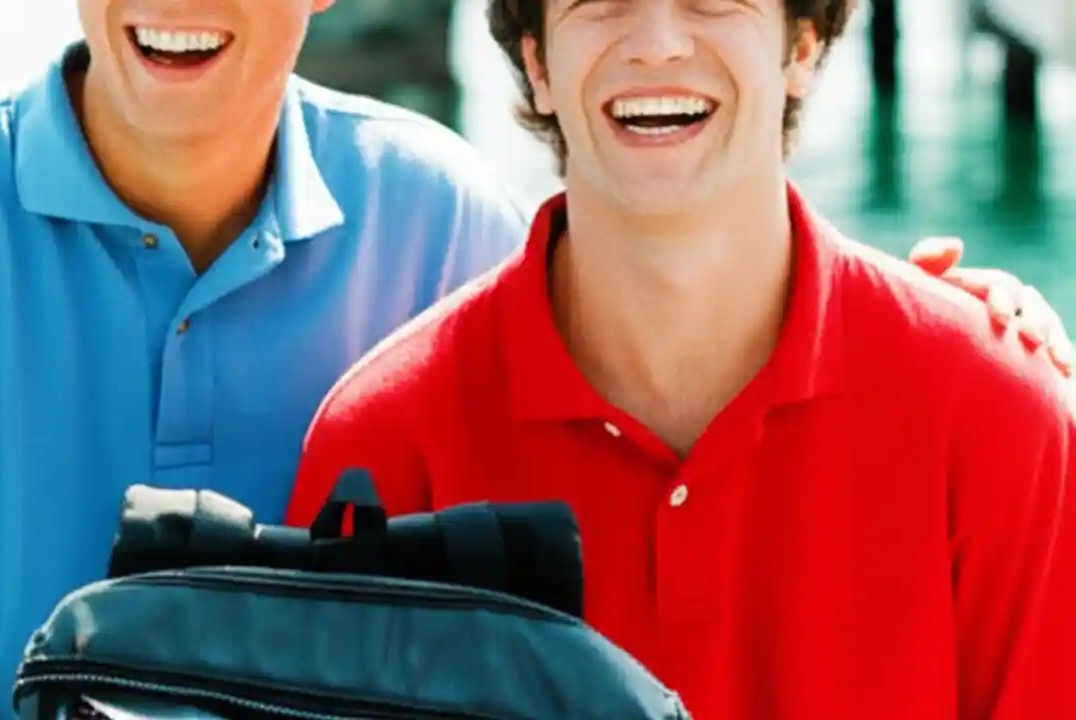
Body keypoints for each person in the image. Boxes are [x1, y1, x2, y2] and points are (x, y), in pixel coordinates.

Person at [0, 0, 1065, 718]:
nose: (658, 38)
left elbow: (647, 285)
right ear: (530, 54)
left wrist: (962, 349)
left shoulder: (439, 218)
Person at [286, 0, 1076, 718]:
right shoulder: (386, 448)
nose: (657, 43)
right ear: (537, 62)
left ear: (802, 44)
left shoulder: (1001, 422)